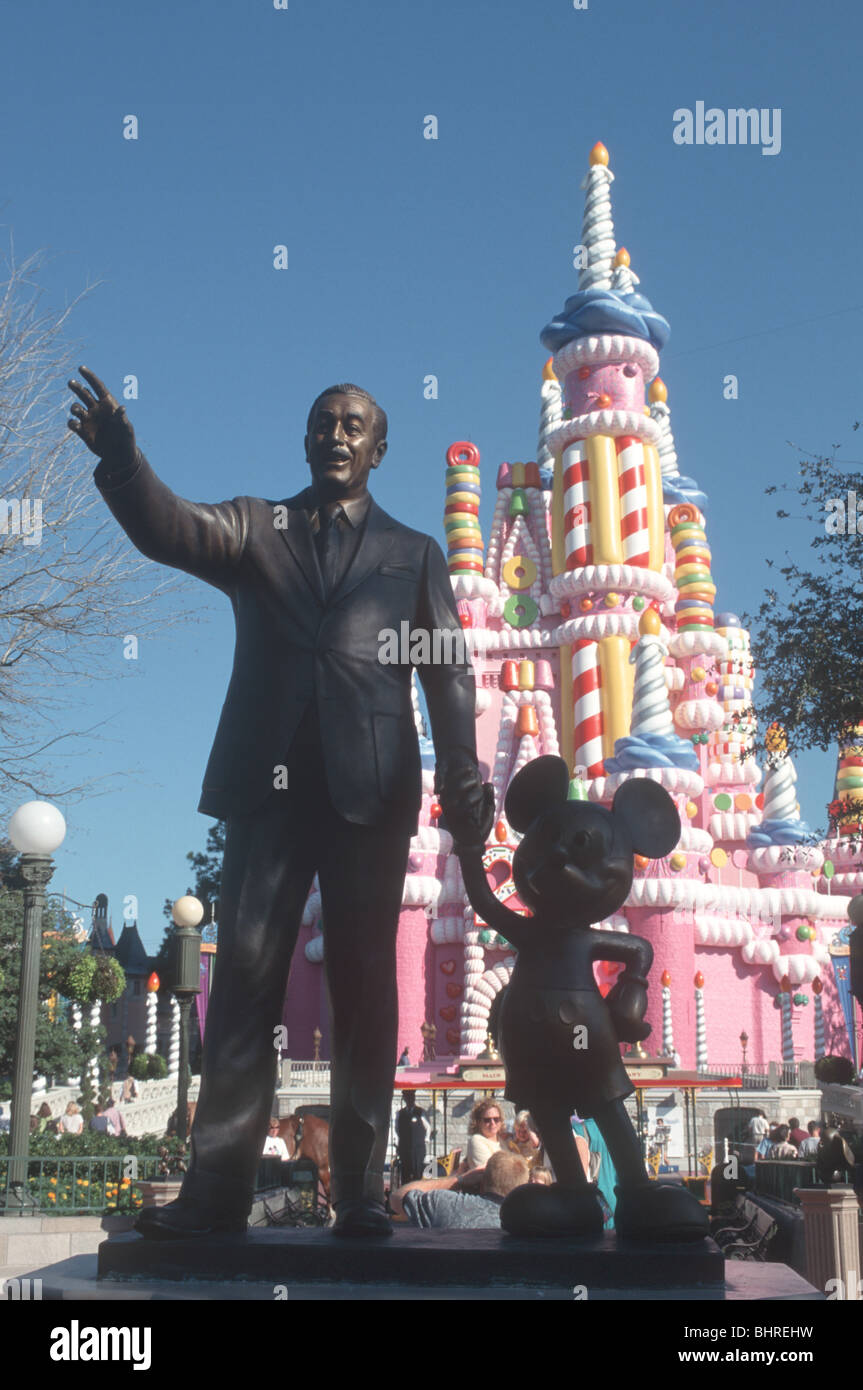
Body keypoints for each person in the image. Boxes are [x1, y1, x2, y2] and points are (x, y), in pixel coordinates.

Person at [68, 371, 486, 1240]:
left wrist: (462, 771)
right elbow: (171, 528)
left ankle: (363, 1194)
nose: (337, 434)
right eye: (323, 423)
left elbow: (446, 670)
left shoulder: (412, 555)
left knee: (367, 992)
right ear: (304, 442)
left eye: (354, 425)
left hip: (371, 793)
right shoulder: (259, 527)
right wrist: (124, 461)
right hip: (268, 790)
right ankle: (216, 1193)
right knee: (248, 981)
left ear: (377, 448)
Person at [396, 1152, 529, 1229]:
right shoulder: (529, 1225)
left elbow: (397, 1197)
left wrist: (458, 1180)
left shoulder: (443, 1204)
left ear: (481, 1182)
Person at [461, 1098, 506, 1171]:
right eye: (487, 1120)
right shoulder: (476, 1140)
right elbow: (491, 1172)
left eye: (496, 1119)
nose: (492, 1123)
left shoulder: (503, 1141)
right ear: (478, 1122)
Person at [396, 1090, 429, 1184]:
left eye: (411, 1098)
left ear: (414, 1099)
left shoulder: (420, 1112)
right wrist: (403, 1139)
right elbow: (397, 1129)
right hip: (405, 1148)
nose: (409, 1101)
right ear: (405, 1100)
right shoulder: (400, 1113)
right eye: (407, 1098)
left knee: (417, 1172)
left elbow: (428, 1127)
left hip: (418, 1148)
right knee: (405, 1173)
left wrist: (425, 1139)